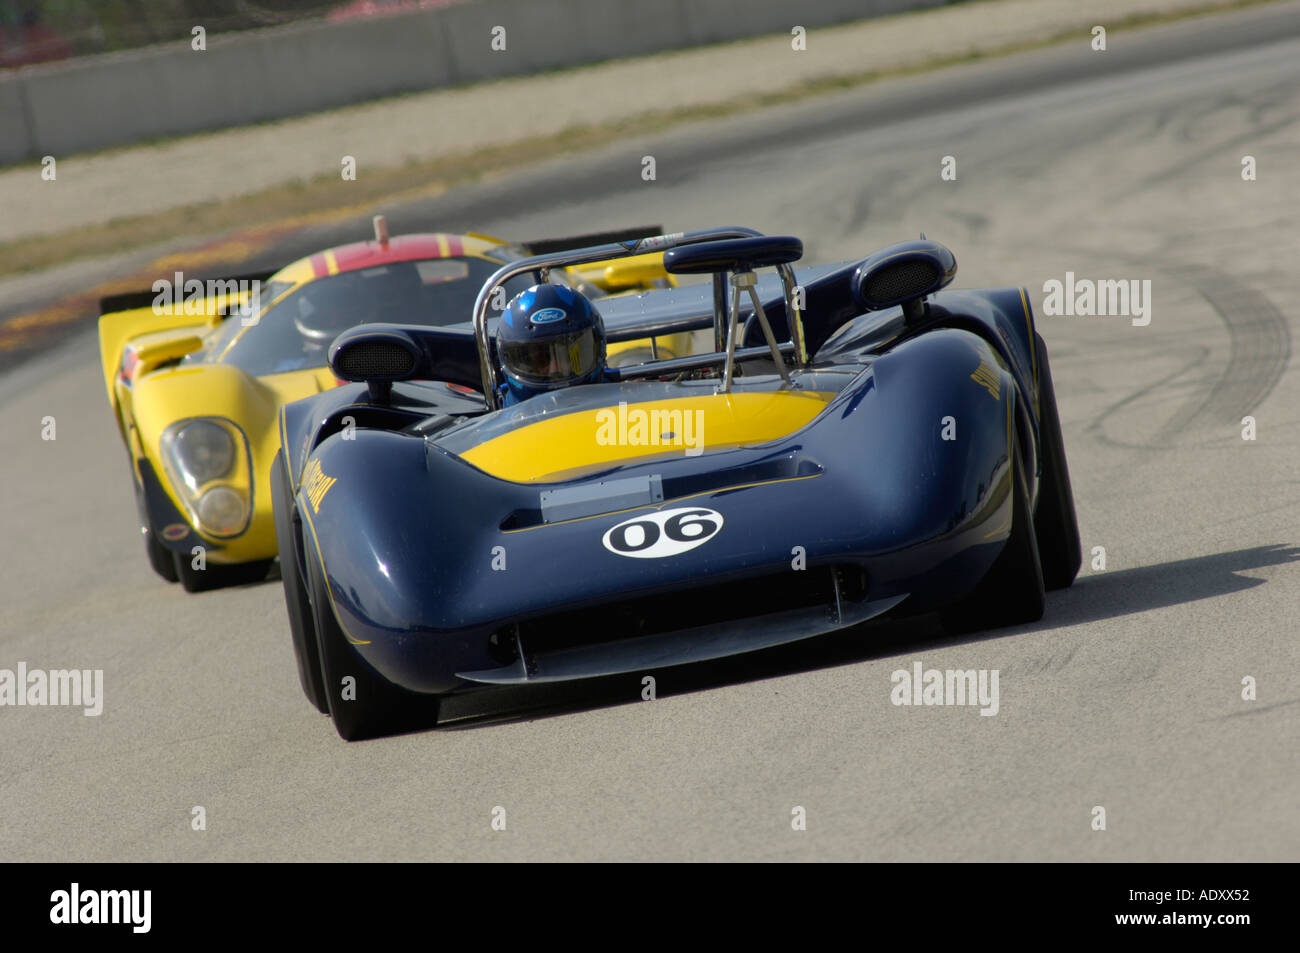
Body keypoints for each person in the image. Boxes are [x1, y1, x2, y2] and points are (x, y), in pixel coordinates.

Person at [495, 284, 608, 406]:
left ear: (598, 346)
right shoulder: (493, 422)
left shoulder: (621, 407)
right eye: (541, 359)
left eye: (569, 356)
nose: (556, 370)